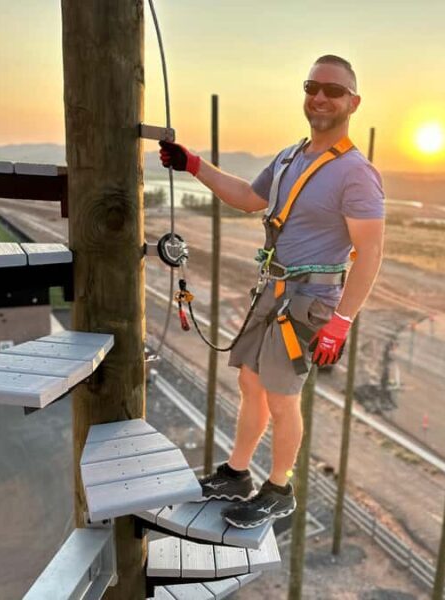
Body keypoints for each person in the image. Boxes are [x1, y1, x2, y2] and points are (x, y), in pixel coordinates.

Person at [159, 54, 385, 529]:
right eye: (312, 86)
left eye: (334, 90)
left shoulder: (356, 173)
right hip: (275, 287)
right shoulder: (290, 157)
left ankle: (279, 489)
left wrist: (340, 322)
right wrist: (194, 165)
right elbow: (248, 198)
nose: (320, 96)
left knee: (282, 397)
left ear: (353, 102)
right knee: (250, 384)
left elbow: (370, 252)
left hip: (309, 300)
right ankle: (238, 474)